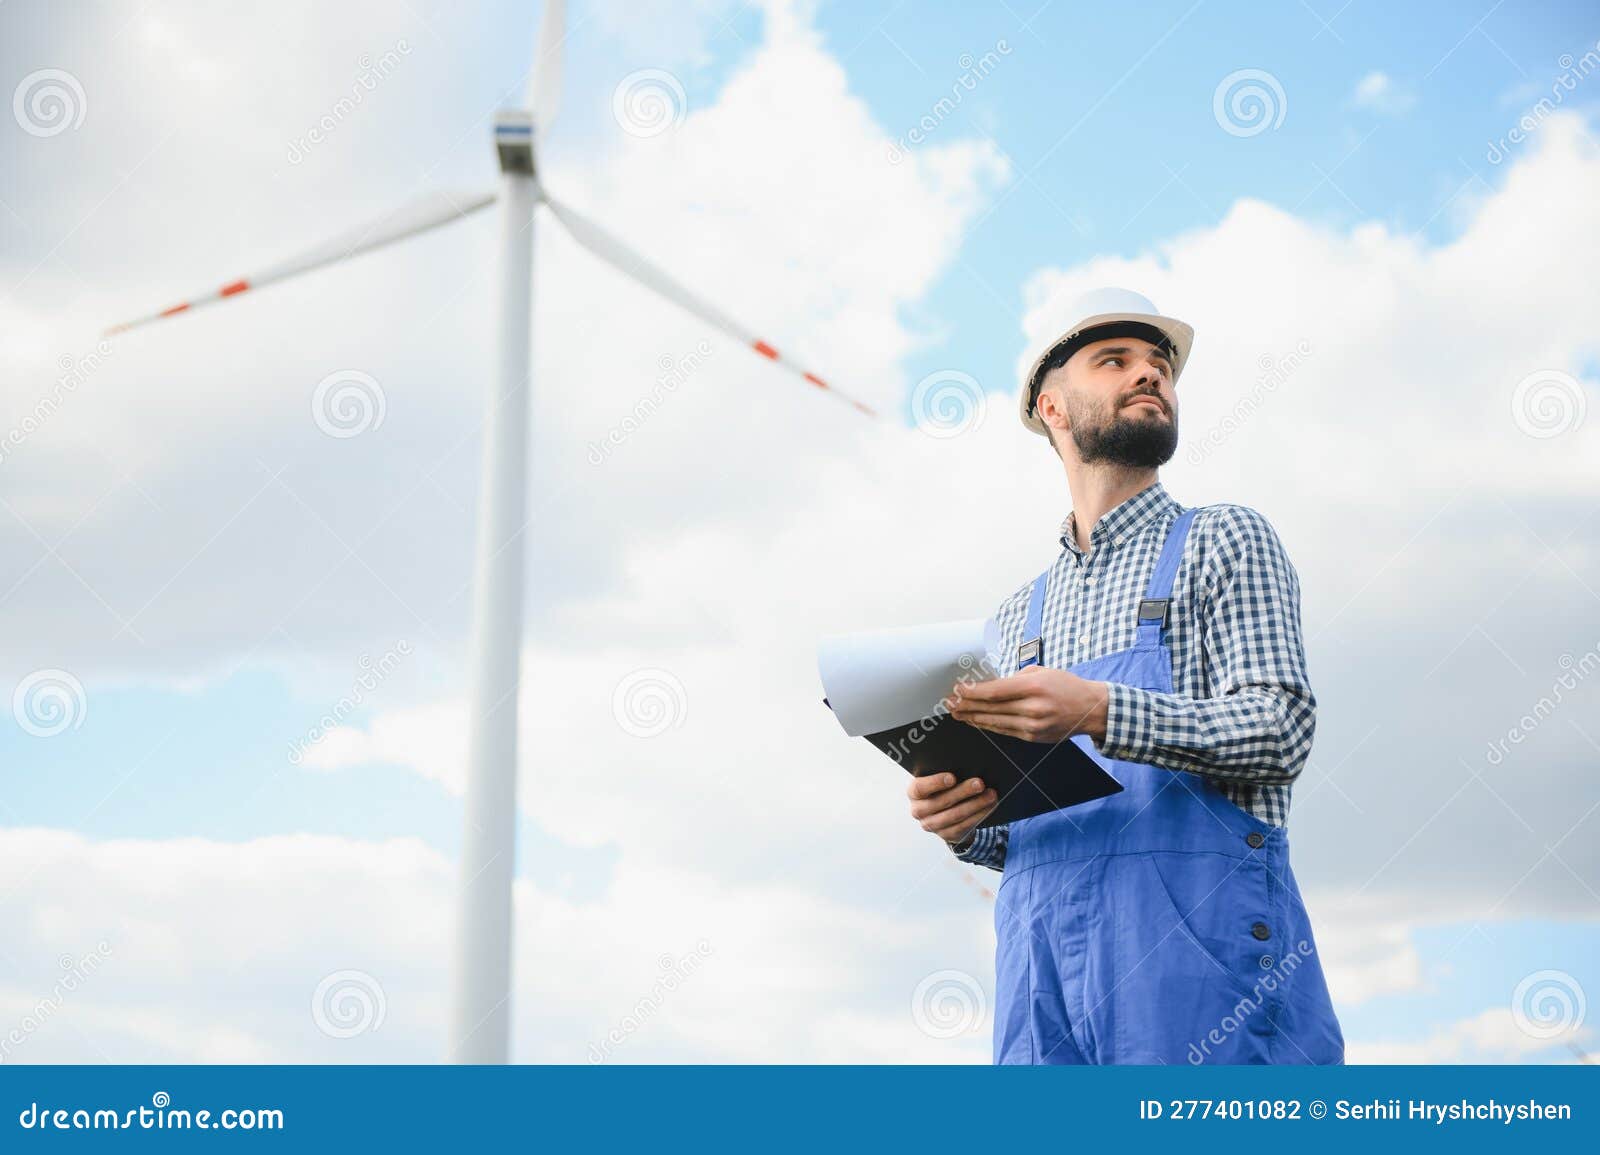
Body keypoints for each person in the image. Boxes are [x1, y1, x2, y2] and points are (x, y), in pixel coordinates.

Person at [907, 288, 1343, 1065]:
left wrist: (1102, 708)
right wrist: (967, 821)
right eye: (1115, 361)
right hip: (1041, 989)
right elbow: (1028, 831)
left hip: (1199, 979)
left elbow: (1281, 729)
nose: (1150, 375)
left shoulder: (1223, 540)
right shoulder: (1016, 620)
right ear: (1054, 408)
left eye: (1160, 366)